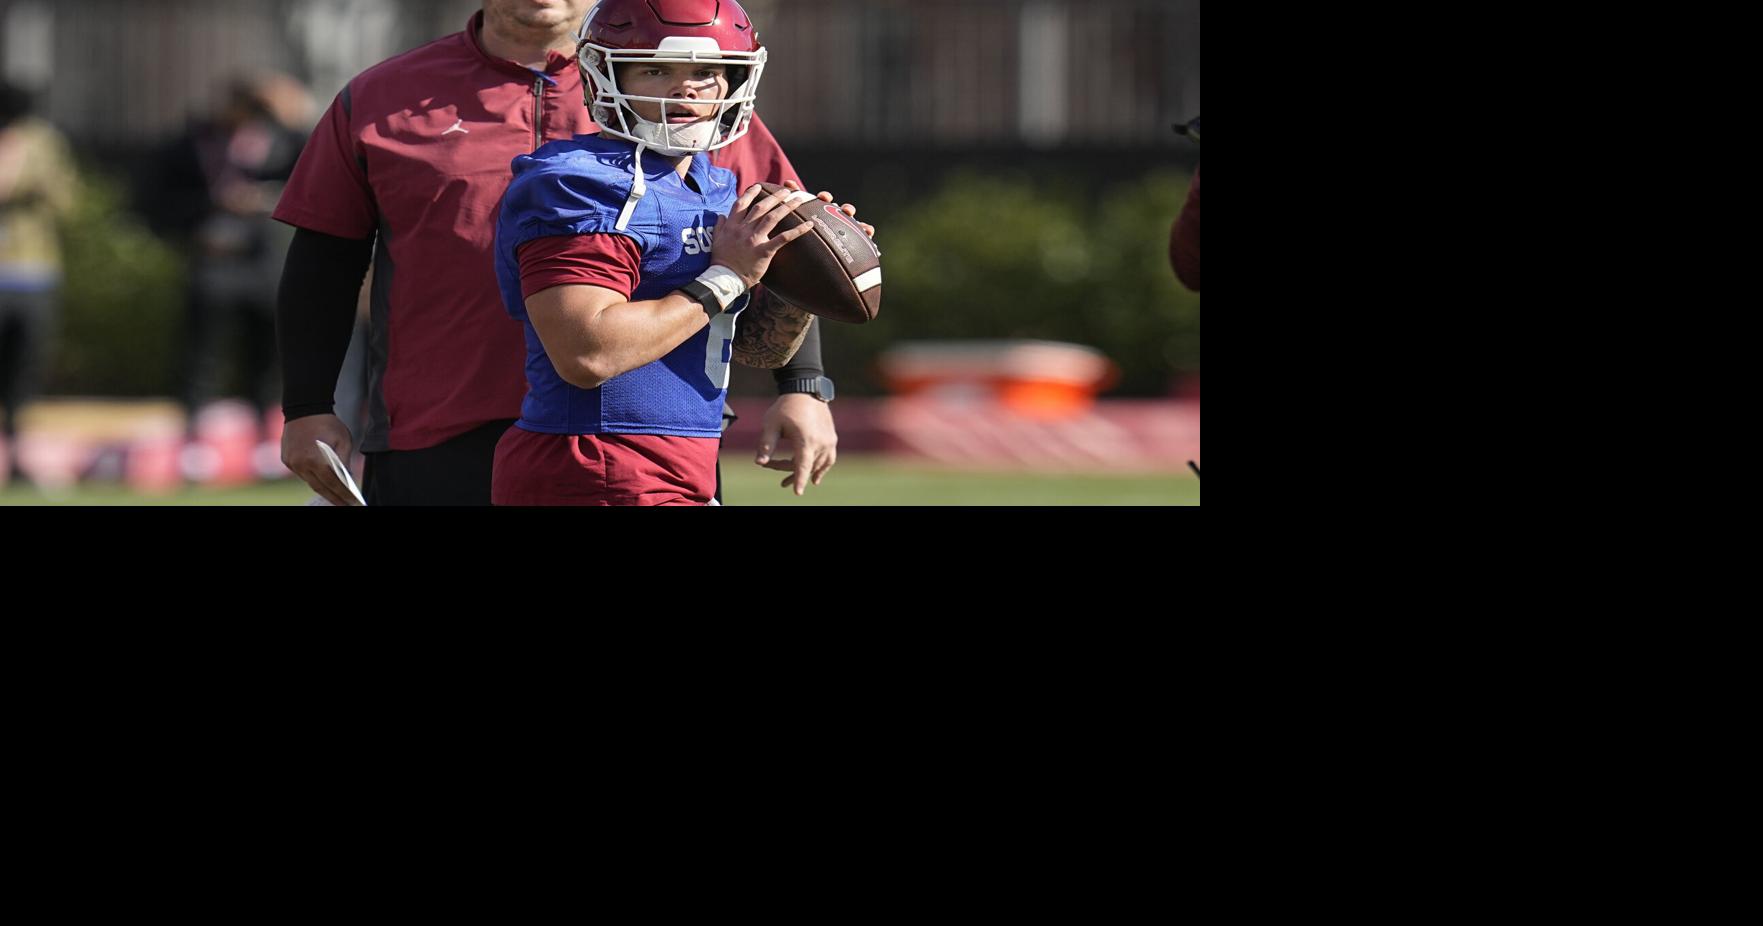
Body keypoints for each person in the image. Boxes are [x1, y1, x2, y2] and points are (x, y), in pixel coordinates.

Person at [273, 0, 838, 506]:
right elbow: (324, 259)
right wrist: (306, 405)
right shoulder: (380, 96)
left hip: (647, 428)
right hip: (440, 421)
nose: (685, 86)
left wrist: (805, 387)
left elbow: (777, 242)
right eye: (660, 72)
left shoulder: (692, 93)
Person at [492, 0, 843, 505]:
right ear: (601, 75)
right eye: (656, 69)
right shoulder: (580, 184)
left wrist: (802, 267)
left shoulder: (714, 184)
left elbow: (751, 347)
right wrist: (728, 275)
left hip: (679, 462)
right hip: (597, 463)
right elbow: (588, 352)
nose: (686, 88)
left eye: (706, 71)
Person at [146, 74, 311, 445]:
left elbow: (318, 170)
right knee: (201, 353)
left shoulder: (283, 141)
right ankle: (192, 433)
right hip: (214, 261)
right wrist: (206, 212)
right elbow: (157, 198)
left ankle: (265, 437)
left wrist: (287, 109)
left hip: (264, 261)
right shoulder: (193, 143)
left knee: (267, 354)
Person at [0, 81, 76, 486]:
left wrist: (21, 173)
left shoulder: (41, 142)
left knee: (24, 370)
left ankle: (16, 455)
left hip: (32, 271)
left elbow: (65, 199)